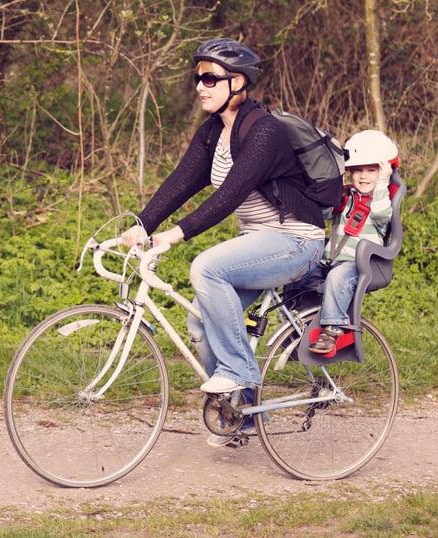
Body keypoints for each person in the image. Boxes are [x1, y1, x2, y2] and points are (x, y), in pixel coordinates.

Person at [121, 38, 326, 395]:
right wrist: (142, 224)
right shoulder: (213, 131)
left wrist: (175, 234)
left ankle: (240, 371)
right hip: (259, 242)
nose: (201, 87)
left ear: (239, 82)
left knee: (206, 267)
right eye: (198, 79)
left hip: (296, 241)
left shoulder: (264, 132)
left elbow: (229, 195)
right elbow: (181, 182)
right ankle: (238, 413)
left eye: (211, 78)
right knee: (200, 322)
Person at [307, 130, 398, 354]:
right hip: (330, 260)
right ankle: (297, 323)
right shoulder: (347, 196)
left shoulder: (381, 200)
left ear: (383, 171)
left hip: (359, 264)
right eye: (358, 170)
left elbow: (381, 215)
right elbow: (325, 212)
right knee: (298, 271)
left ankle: (332, 329)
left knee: (338, 278)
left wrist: (382, 184)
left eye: (371, 170)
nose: (364, 176)